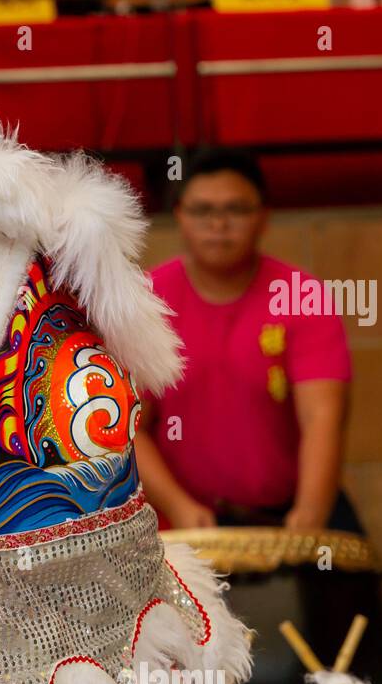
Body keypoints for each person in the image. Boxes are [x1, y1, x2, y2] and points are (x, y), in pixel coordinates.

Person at [137, 148, 358, 533]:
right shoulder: (148, 299)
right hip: (179, 520)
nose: (219, 224)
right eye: (203, 210)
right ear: (180, 216)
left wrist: (308, 516)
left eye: (236, 210)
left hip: (284, 515)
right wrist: (179, 506)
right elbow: (127, 426)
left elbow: (322, 415)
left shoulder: (300, 295)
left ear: (263, 216)